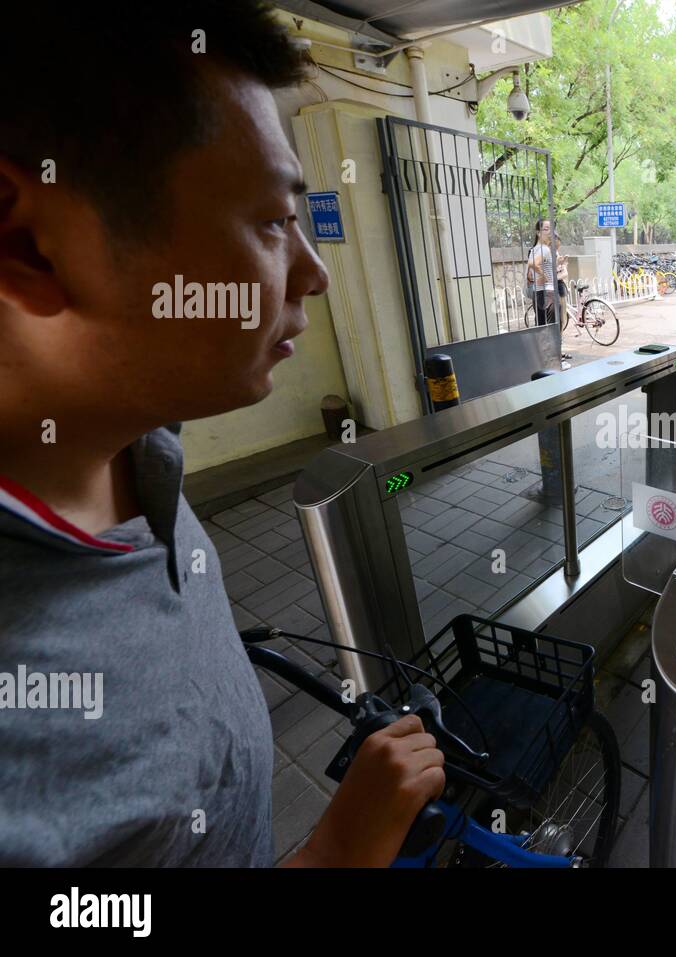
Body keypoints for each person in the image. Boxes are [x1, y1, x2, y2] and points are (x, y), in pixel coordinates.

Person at [0, 1, 447, 866]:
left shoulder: (140, 445)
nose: (313, 273)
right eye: (275, 220)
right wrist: (340, 848)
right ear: (29, 240)